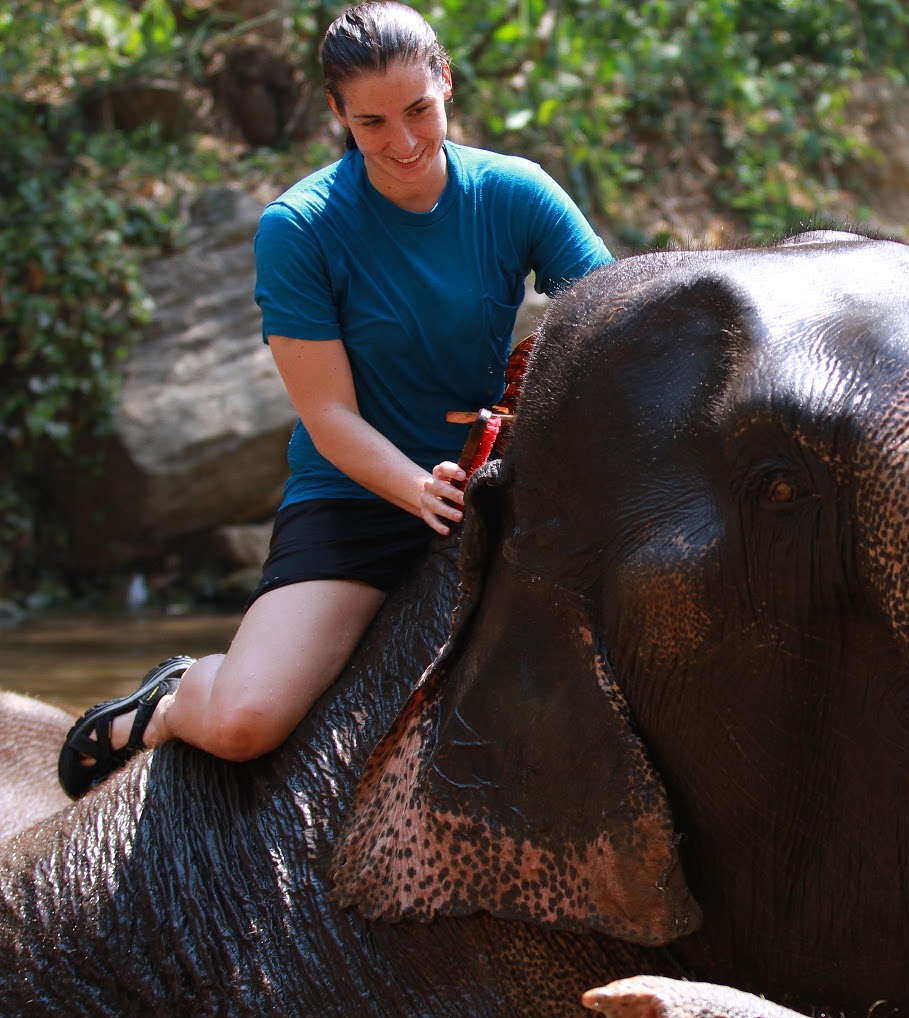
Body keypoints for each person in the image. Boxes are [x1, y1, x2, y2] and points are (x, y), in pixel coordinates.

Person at [57, 1, 613, 798]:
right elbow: (329, 417)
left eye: (420, 109)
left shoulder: (515, 192)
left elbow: (613, 310)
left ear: (446, 80)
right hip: (357, 498)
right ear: (336, 114)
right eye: (372, 122)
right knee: (247, 721)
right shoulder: (301, 228)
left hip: (486, 483)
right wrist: (416, 489)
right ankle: (171, 701)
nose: (405, 141)